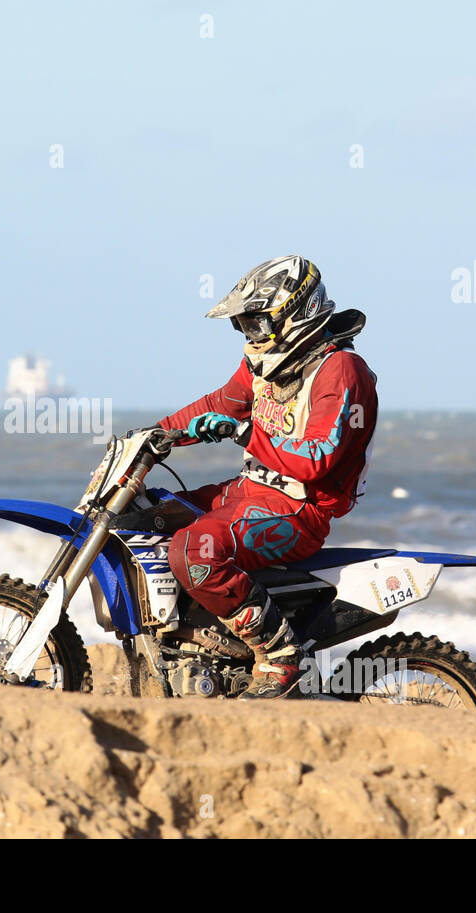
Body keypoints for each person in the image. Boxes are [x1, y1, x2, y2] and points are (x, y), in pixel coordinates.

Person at [156, 256, 378, 699]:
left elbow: (318, 458)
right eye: (243, 325)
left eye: (256, 323)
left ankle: (280, 655)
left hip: (300, 508)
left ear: (293, 313)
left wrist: (244, 432)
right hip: (250, 489)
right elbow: (221, 402)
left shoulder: (341, 370)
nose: (248, 335)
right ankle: (191, 637)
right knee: (153, 515)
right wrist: (155, 437)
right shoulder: (263, 365)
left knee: (194, 550)